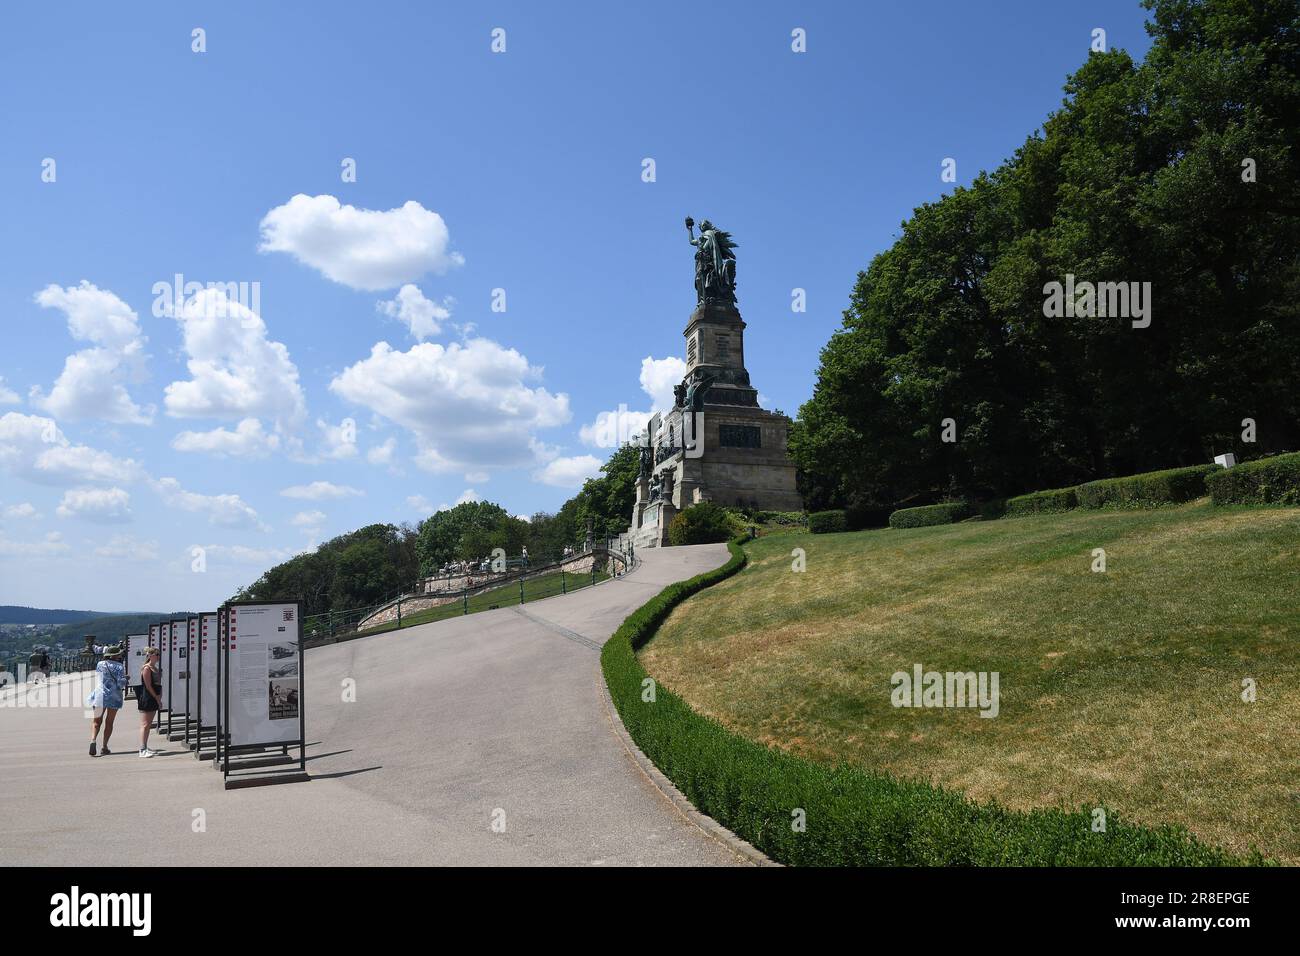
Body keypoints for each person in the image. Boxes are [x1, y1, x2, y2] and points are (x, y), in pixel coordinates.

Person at [85, 645, 126, 757]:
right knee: (109, 722)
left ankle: (93, 740)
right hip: (114, 696)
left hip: (100, 695)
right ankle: (104, 746)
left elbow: (99, 677)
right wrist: (126, 679)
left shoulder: (100, 664)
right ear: (116, 655)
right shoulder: (119, 666)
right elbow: (120, 683)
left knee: (96, 721)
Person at [136, 646, 163, 757]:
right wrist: (156, 697)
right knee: (145, 724)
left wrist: (159, 697)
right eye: (157, 655)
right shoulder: (146, 668)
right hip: (148, 697)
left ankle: (145, 746)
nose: (158, 657)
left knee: (149, 724)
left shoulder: (155, 668)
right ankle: (142, 749)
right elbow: (148, 685)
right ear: (151, 656)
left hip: (154, 696)